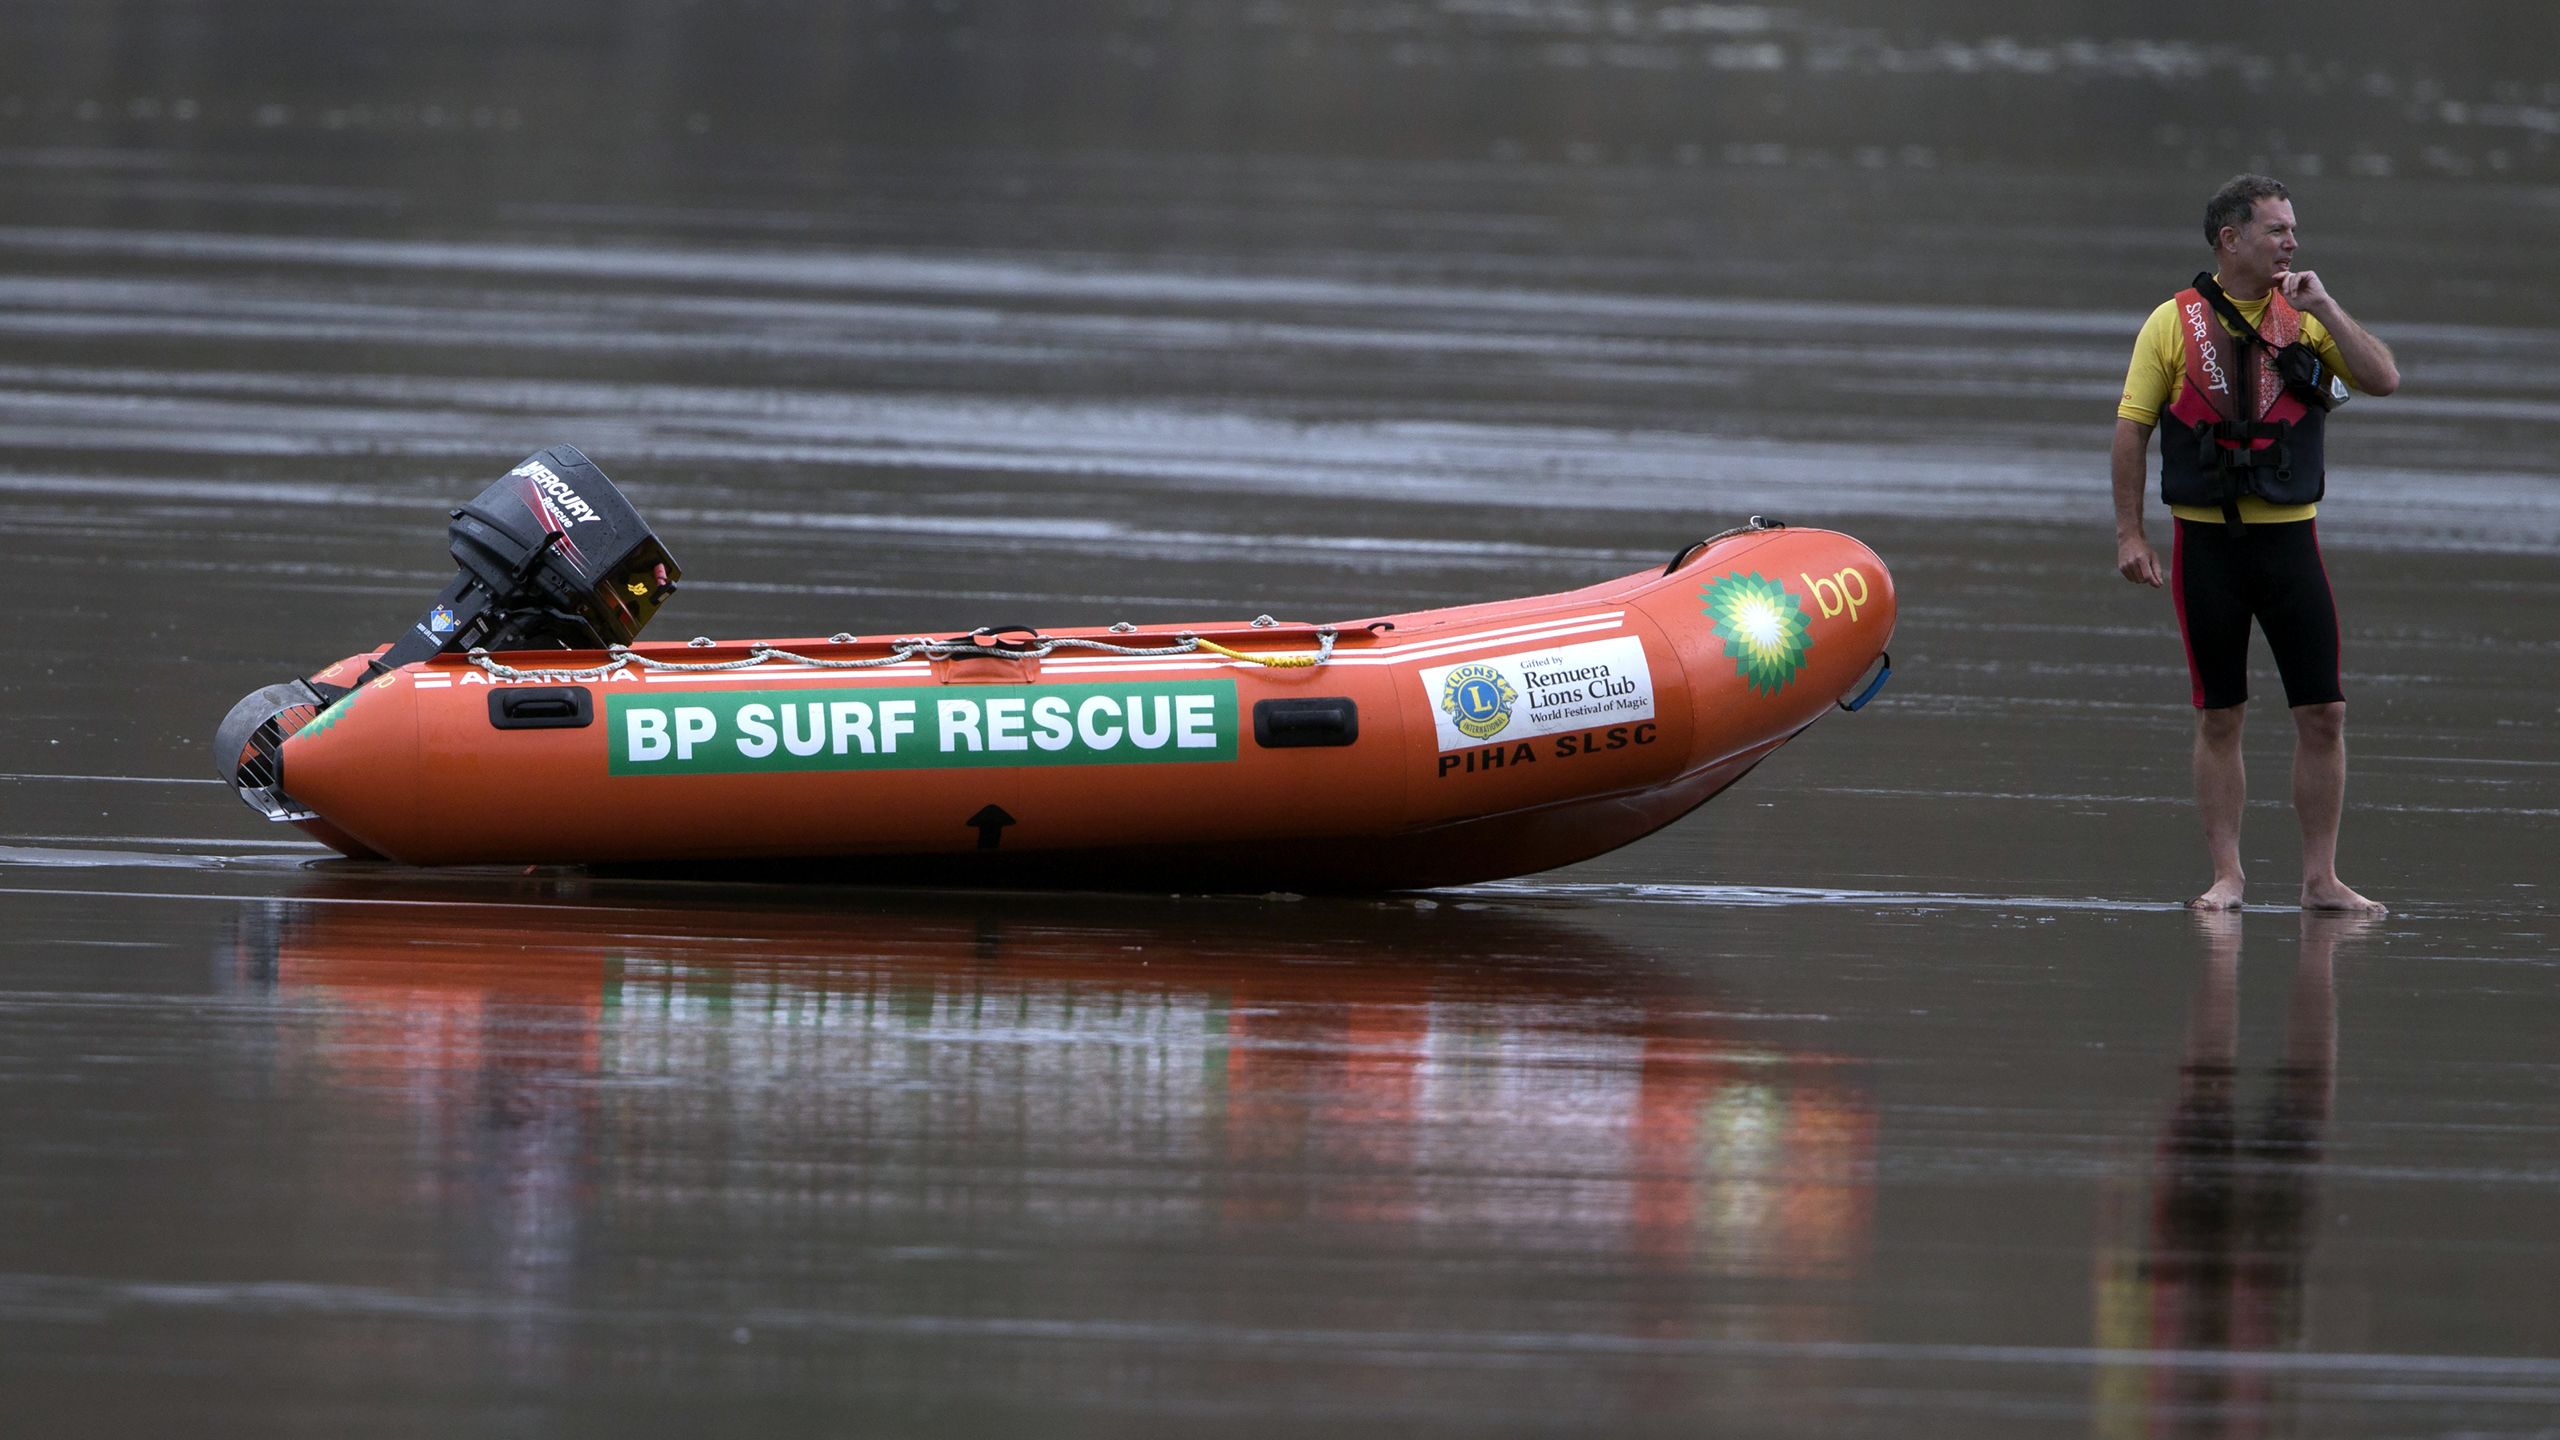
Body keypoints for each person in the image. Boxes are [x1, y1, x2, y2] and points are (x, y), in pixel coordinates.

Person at [2111, 174, 2399, 913]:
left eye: (2292, 230)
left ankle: (2320, 878)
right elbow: (2131, 430)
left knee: (2324, 712)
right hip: (2205, 550)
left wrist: (2325, 306)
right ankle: (2227, 876)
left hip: (2290, 548)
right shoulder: (2170, 324)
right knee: (2220, 714)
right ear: (2229, 239)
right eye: (2276, 230)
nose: (2291, 242)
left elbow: (2383, 379)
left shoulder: (2304, 320)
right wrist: (2131, 533)